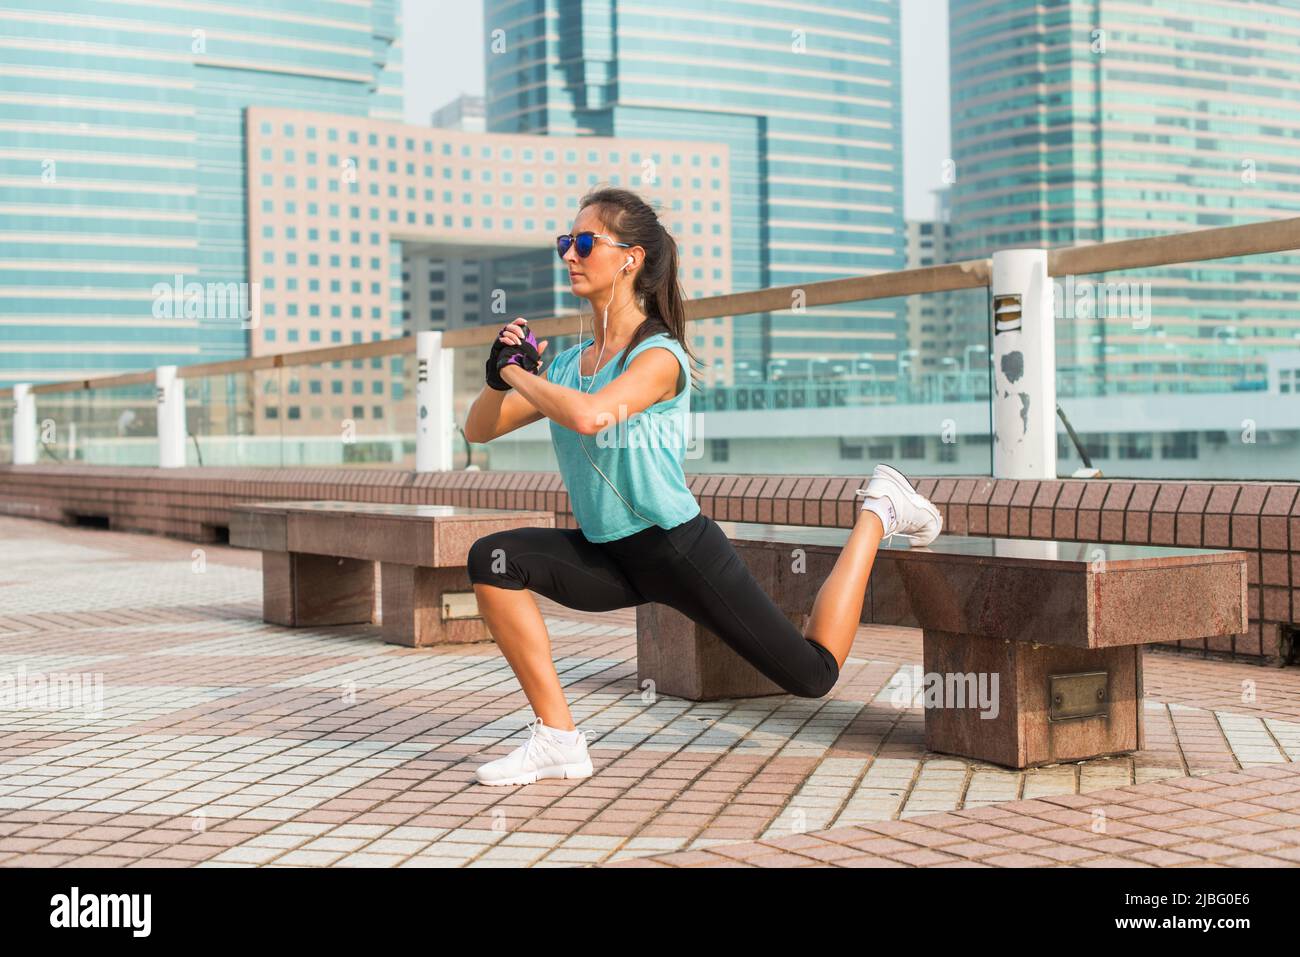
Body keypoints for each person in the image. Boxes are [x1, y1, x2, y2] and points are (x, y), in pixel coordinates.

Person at [461, 187, 942, 786]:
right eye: (566, 243)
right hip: (608, 554)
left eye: (584, 243)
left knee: (811, 677)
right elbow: (479, 431)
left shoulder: (660, 358)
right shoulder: (567, 365)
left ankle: (880, 509)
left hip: (676, 549)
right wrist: (496, 379)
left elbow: (592, 415)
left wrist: (515, 374)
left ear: (630, 259)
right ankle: (559, 739)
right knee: (493, 560)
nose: (569, 255)